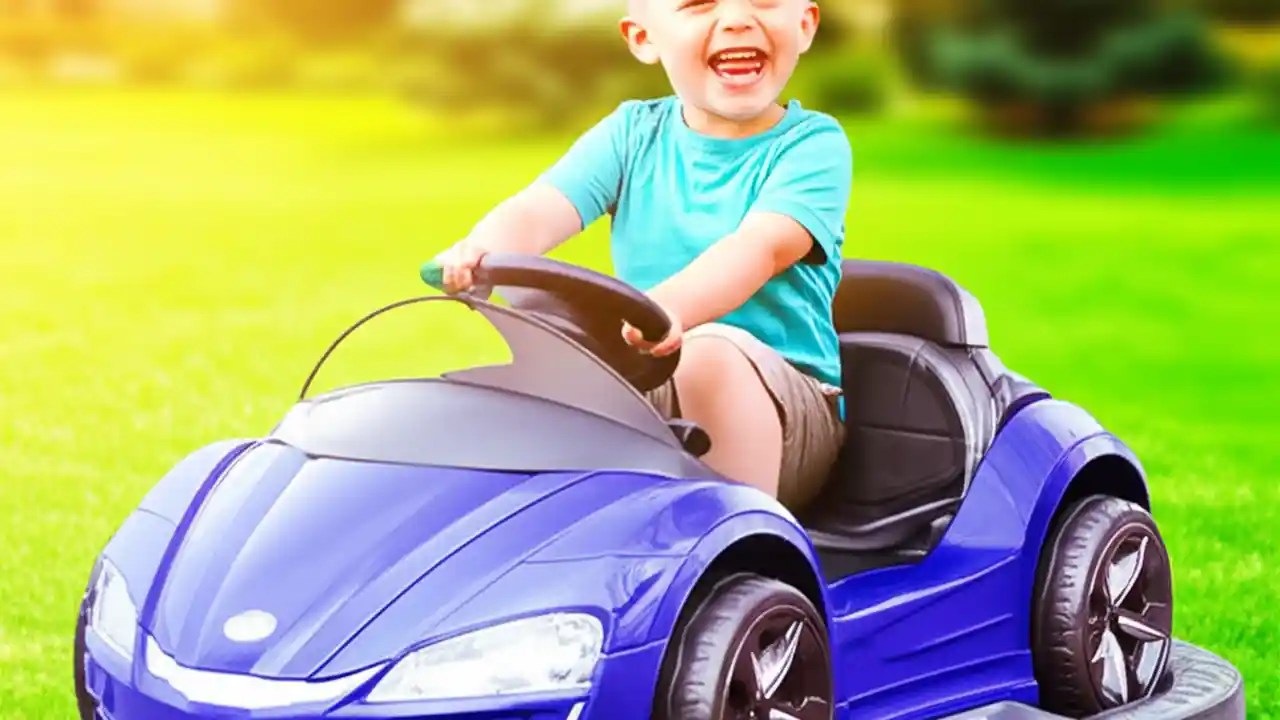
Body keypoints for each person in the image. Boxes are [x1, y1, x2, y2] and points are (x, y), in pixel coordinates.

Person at [434, 0, 852, 512]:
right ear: (643, 38)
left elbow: (759, 249)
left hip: (789, 414)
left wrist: (664, 310)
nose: (737, 18)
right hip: (648, 385)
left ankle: (741, 547)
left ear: (805, 24)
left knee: (710, 356)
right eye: (700, 3)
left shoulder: (812, 145)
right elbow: (541, 208)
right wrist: (483, 247)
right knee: (529, 387)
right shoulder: (631, 134)